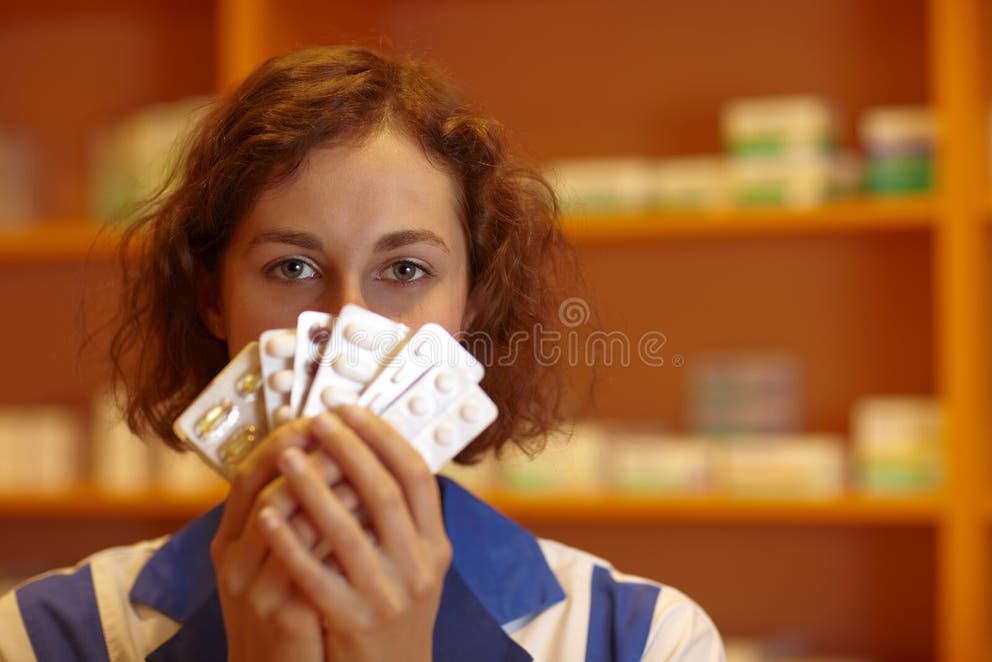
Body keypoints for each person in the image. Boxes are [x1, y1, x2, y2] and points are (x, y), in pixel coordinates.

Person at [0, 46, 724, 661]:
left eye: (405, 270)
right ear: (212, 300)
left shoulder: (642, 640)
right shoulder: (49, 636)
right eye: (291, 267)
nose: (346, 326)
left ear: (471, 306)